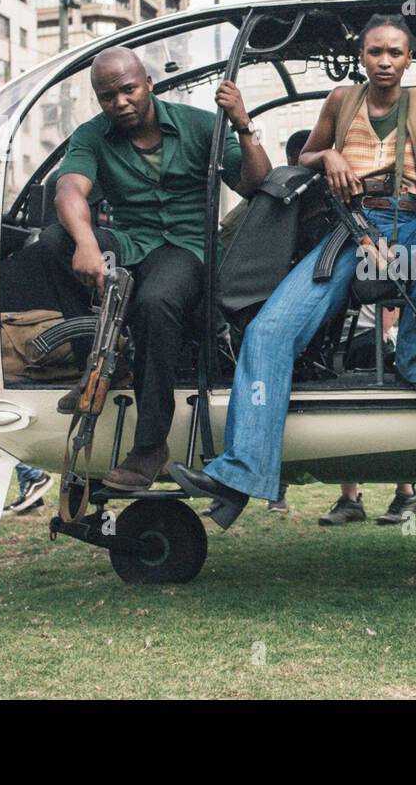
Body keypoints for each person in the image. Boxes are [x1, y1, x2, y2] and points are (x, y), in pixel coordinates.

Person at [169, 14, 416, 529]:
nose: (385, 61)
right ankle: (239, 474)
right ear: (361, 57)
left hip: (413, 218)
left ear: (408, 59)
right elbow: (303, 157)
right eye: (375, 52)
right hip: (351, 226)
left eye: (395, 52)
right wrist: (328, 157)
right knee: (269, 330)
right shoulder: (339, 101)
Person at [45, 46, 271, 490]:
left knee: (155, 301)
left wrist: (243, 124)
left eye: (128, 90)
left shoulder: (201, 125)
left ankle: (150, 447)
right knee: (54, 242)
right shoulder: (93, 135)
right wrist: (87, 242)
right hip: (131, 245)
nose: (121, 103)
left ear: (148, 82)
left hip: (188, 250)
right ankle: (99, 364)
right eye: (108, 97)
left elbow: (255, 183)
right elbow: (68, 188)